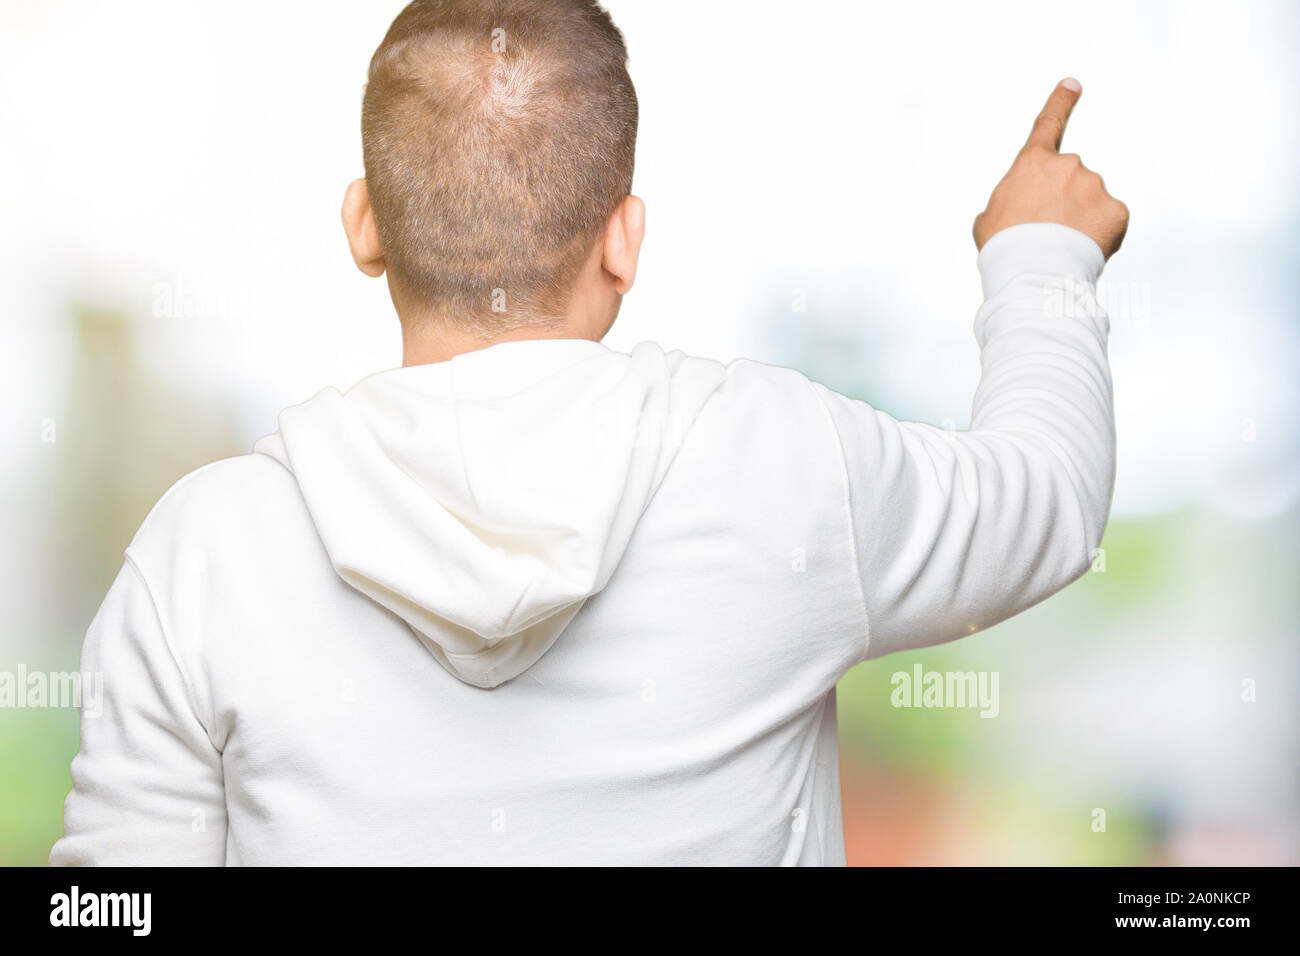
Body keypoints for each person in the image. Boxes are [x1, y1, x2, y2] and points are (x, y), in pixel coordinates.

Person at [51, 0, 1127, 865]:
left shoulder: (203, 554)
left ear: (364, 224)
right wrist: (1039, 254)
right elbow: (1048, 498)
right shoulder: (781, 466)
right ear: (625, 240)